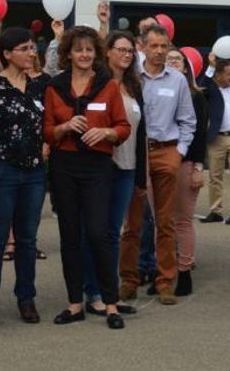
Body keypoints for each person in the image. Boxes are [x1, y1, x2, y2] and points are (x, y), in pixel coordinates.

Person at [44, 26, 131, 329]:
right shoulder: (54, 86)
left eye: (89, 49)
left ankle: (110, 303)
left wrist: (106, 132)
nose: (84, 55)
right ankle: (74, 304)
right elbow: (47, 132)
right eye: (78, 49)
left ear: (96, 54)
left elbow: (123, 127)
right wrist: (66, 127)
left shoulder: (107, 86)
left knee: (98, 233)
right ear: (68, 53)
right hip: (64, 165)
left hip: (97, 166)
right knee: (70, 236)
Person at [0, 26, 50, 326]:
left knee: (28, 239)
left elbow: (49, 120)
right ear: (6, 54)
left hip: (34, 172)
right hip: (4, 171)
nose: (31, 53)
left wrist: (47, 143)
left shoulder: (40, 86)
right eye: (23, 48)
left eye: (32, 48)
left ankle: (26, 297)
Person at [122, 23, 194, 306]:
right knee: (133, 222)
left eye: (165, 46)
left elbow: (188, 120)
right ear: (142, 46)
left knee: (166, 222)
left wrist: (180, 151)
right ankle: (129, 280)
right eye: (154, 46)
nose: (160, 51)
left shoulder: (177, 80)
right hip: (135, 153)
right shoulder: (132, 79)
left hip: (166, 151)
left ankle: (165, 281)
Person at [82, 28, 145, 315]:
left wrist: (141, 175)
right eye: (120, 49)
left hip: (128, 166)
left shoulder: (134, 87)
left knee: (112, 232)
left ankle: (110, 293)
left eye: (130, 51)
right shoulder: (95, 84)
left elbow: (139, 132)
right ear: (107, 52)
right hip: (101, 166)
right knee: (96, 231)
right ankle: (94, 292)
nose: (126, 55)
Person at [168, 46, 208, 297]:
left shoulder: (196, 96)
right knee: (164, 221)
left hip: (186, 163)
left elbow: (200, 134)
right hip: (160, 160)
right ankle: (166, 271)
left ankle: (184, 271)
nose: (172, 62)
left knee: (182, 220)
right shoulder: (154, 91)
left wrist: (198, 167)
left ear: (186, 67)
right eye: (169, 59)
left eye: (177, 60)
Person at [202, 58, 230, 224]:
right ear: (218, 75)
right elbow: (203, 84)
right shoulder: (210, 88)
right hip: (217, 138)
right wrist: (211, 66)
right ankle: (216, 211)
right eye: (228, 74)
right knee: (215, 176)